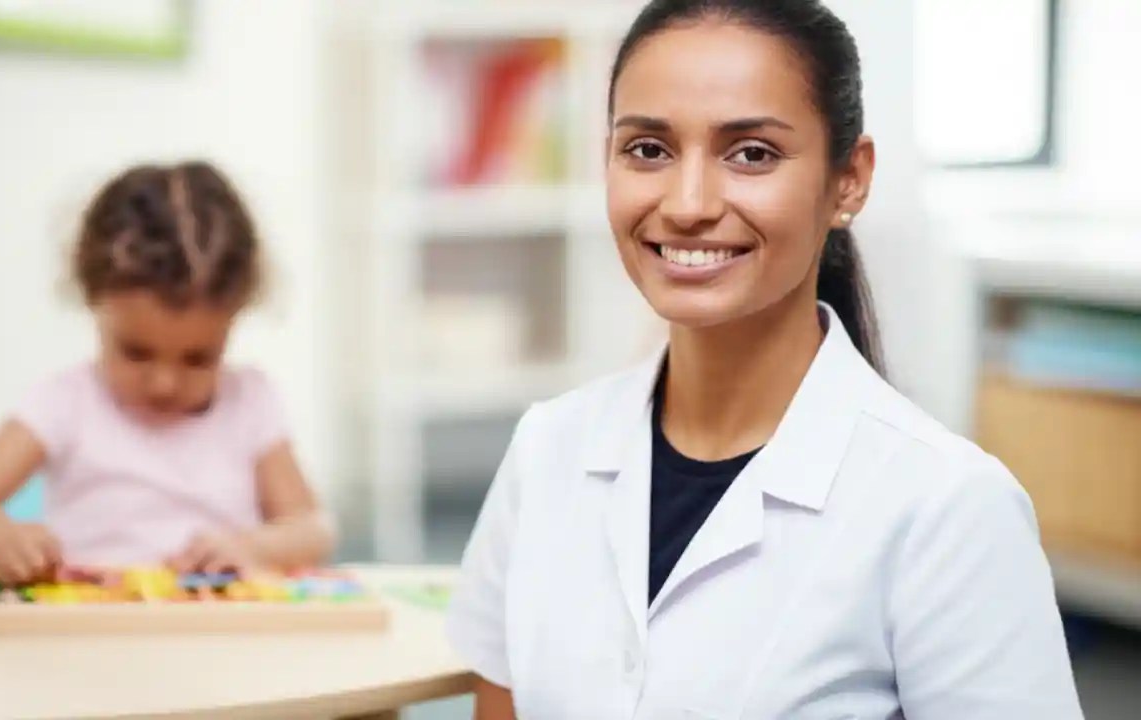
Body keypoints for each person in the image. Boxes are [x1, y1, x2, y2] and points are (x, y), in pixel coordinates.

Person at [446, 1, 1084, 717]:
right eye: (648, 150)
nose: (687, 204)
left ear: (849, 180)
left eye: (752, 153)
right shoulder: (547, 449)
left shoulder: (949, 507)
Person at [0, 161, 335, 584]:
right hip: (93, 637)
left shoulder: (250, 402)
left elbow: (313, 528)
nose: (164, 383)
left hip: (218, 638)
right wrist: (0, 537)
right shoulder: (67, 402)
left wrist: (254, 547)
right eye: (136, 353)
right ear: (93, 301)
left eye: (198, 359)